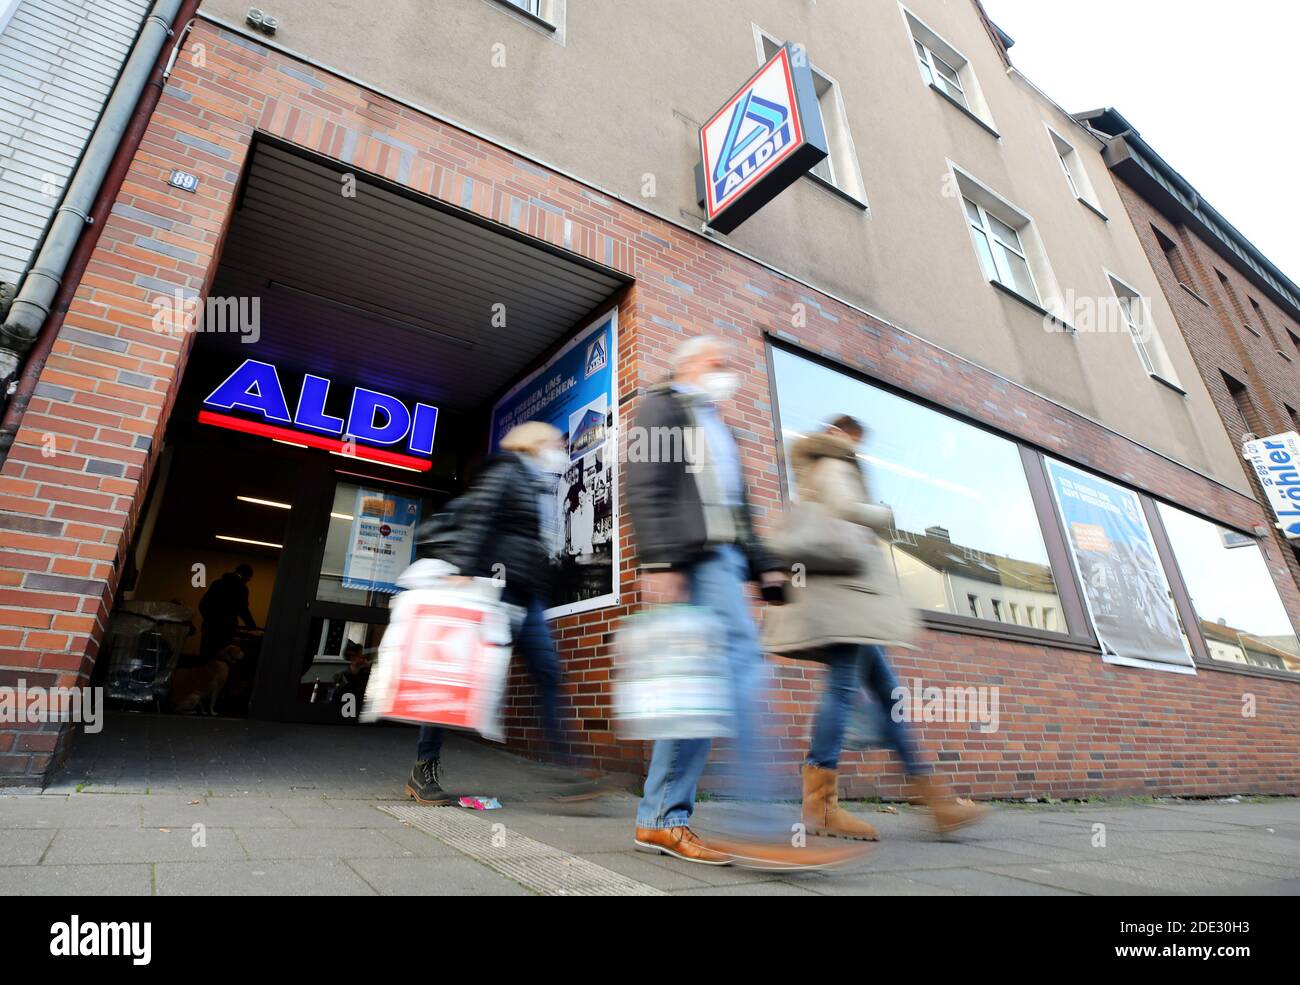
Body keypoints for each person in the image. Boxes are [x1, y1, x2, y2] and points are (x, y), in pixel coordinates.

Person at [626, 335, 863, 869]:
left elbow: (739, 509)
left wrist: (765, 567)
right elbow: (645, 484)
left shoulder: (717, 424)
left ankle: (660, 818)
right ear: (687, 364)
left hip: (726, 562)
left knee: (702, 688)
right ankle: (758, 826)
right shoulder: (661, 408)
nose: (726, 372)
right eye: (717, 363)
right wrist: (660, 562)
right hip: (695, 560)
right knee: (741, 678)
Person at [764, 415, 986, 837]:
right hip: (847, 602)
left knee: (888, 695)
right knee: (844, 688)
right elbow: (846, 510)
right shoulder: (834, 462)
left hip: (849, 602)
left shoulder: (816, 468)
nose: (855, 444)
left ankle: (933, 798)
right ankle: (820, 804)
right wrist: (883, 513)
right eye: (854, 437)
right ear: (842, 434)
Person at [404, 421, 592, 806]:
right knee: (459, 676)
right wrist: (462, 569)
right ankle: (425, 766)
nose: (561, 450)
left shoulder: (541, 486)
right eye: (556, 443)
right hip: (493, 587)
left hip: (525, 595)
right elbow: (480, 518)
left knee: (548, 674)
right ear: (535, 445)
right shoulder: (506, 472)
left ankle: (570, 773)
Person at [197, 563, 256, 660]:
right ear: (245, 575)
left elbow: (202, 605)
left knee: (205, 658)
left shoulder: (217, 583)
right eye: (249, 577)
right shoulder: (242, 588)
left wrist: (210, 620)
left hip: (210, 628)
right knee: (221, 660)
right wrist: (251, 625)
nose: (248, 580)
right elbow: (243, 609)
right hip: (226, 629)